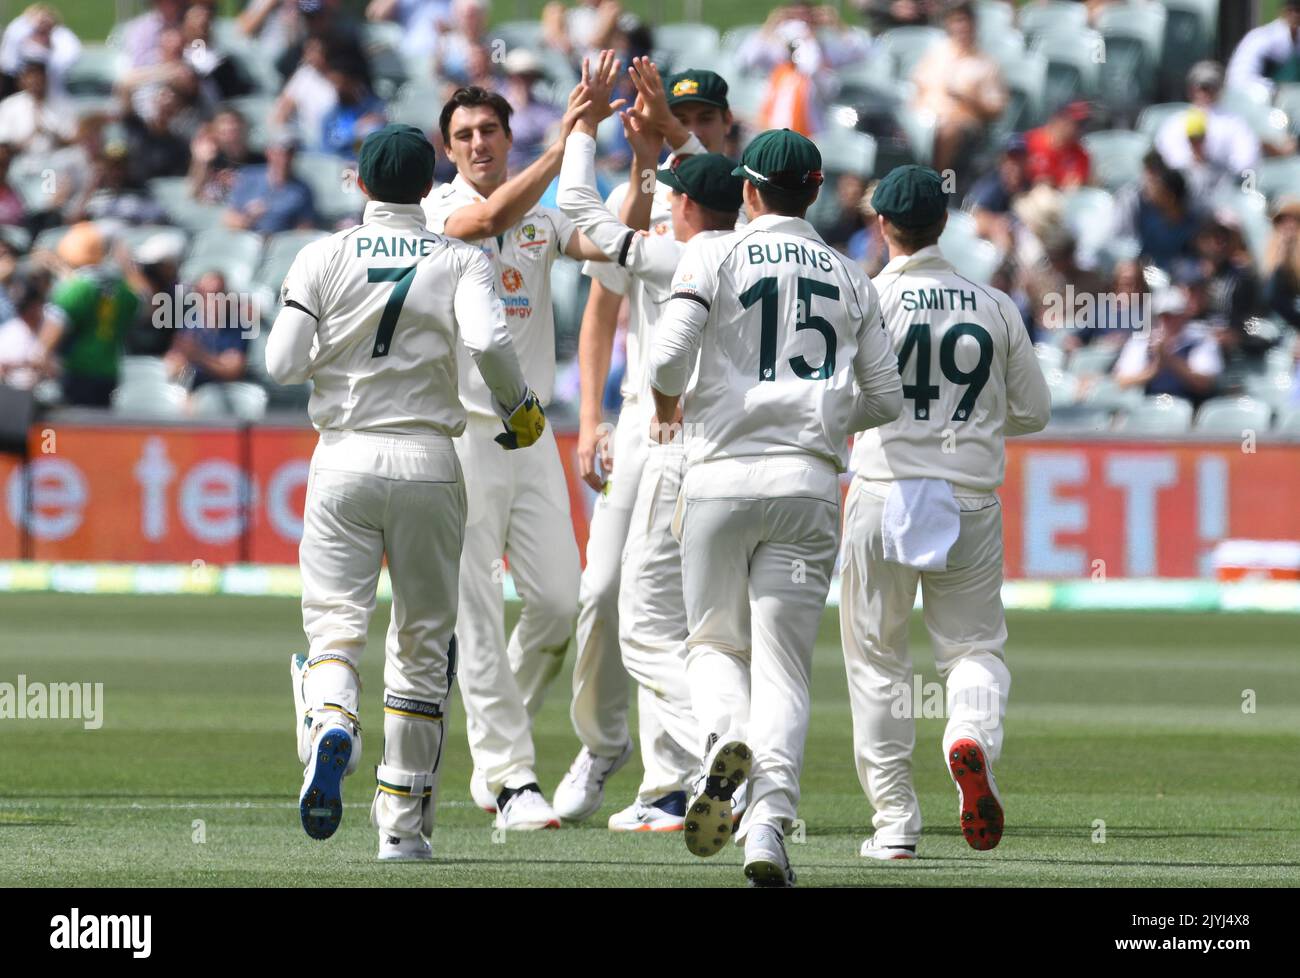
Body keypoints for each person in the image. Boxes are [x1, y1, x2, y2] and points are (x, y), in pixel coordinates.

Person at [264, 122, 543, 861]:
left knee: (334, 627)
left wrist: (341, 351)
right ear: (429, 187)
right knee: (422, 642)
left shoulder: (321, 254)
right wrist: (521, 410)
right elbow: (488, 344)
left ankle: (331, 719)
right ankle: (401, 827)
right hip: (428, 458)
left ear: (358, 184)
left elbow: (283, 362)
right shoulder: (459, 259)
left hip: (345, 457)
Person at [648, 129, 903, 886]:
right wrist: (820, 421)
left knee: (713, 647)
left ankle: (725, 741)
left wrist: (674, 403)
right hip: (807, 481)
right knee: (785, 667)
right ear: (814, 193)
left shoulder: (713, 251)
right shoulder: (853, 274)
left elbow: (665, 360)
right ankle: (768, 826)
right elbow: (885, 399)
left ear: (749, 192)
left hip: (721, 475)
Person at [838, 164, 1050, 862]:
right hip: (967, 496)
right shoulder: (992, 305)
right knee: (973, 651)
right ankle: (968, 737)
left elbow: (834, 400)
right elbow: (1034, 411)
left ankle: (896, 824)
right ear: (946, 222)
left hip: (883, 487)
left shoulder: (866, 299)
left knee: (878, 663)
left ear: (882, 225)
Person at [558, 53, 742, 832]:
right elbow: (602, 298)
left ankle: (673, 781)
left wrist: (663, 137)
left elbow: (728, 209)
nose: (689, 128)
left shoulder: (738, 199)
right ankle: (603, 748)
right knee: (599, 592)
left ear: (724, 126)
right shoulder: (650, 195)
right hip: (640, 417)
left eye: (702, 119)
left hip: (705, 425)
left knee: (677, 611)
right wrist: (591, 420)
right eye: (680, 115)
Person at [423, 83, 609, 830]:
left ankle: (502, 744)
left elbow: (605, 246)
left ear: (507, 134)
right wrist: (562, 146)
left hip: (532, 436)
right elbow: (487, 218)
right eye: (465, 133)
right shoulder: (438, 210)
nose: (479, 143)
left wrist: (633, 156)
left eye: (491, 129)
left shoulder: (542, 214)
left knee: (561, 603)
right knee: (474, 611)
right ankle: (510, 777)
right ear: (449, 148)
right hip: (462, 436)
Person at [41, 222, 139, 407]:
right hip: (109, 371)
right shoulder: (123, 290)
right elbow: (141, 303)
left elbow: (47, 343)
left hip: (76, 370)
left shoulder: (73, 290)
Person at [910, 1, 1006, 175]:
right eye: (957, 21)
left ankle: (936, 180)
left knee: (948, 130)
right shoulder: (937, 53)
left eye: (965, 22)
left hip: (963, 125)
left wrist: (969, 97)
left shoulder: (986, 64)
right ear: (949, 25)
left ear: (974, 26)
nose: (962, 27)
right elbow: (918, 85)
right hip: (926, 118)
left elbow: (996, 109)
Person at [1113, 286, 1222, 407]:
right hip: (1149, 407)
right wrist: (1152, 371)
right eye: (1163, 316)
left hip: (1190, 409)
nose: (1168, 320)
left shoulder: (1201, 340)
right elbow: (1122, 381)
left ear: (1184, 316)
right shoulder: (1141, 340)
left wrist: (1168, 358)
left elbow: (1205, 384)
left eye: (1174, 315)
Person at [1155, 62, 1260, 182]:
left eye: (1212, 87)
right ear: (1191, 89)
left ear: (1220, 89)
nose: (1205, 92)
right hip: (1181, 189)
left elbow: (1246, 163)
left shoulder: (1235, 124)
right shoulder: (1174, 124)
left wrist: (1214, 166)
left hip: (1221, 187)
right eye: (1202, 86)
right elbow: (1164, 160)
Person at [225, 133, 317, 233]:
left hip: (281, 243)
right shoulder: (248, 178)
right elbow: (229, 219)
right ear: (269, 153)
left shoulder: (302, 190)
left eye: (289, 153)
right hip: (248, 239)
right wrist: (249, 218)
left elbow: (304, 229)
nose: (284, 158)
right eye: (279, 152)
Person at [0, 56, 74, 154]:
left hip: (55, 159)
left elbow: (72, 139)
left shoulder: (63, 104)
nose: (35, 81)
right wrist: (30, 137)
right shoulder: (10, 105)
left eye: (39, 76)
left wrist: (51, 134)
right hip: (20, 161)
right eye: (30, 76)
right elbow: (4, 142)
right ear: (22, 80)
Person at [1226, 0, 1300, 94]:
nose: (1296, 15)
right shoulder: (1261, 38)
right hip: (1260, 100)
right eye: (1292, 11)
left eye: (1298, 11)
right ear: (1283, 12)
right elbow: (1240, 77)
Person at [1023, 101, 1090, 190]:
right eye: (1075, 124)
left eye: (1082, 125)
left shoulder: (1081, 155)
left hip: (1062, 200)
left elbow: (1074, 187)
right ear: (1058, 120)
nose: (1078, 130)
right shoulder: (1031, 141)